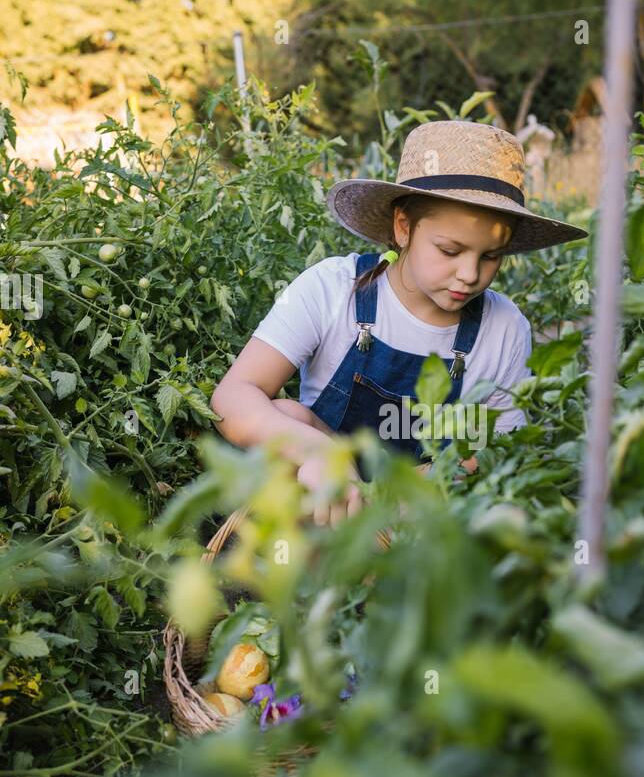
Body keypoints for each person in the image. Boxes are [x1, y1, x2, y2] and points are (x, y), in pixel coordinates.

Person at [210, 118, 586, 526]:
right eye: (449, 250)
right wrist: (317, 453)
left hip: (427, 515)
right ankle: (290, 571)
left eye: (490, 256)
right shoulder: (335, 289)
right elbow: (232, 397)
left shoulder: (504, 328)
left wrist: (413, 494)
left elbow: (503, 451)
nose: (469, 274)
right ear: (403, 227)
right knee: (288, 417)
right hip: (328, 504)